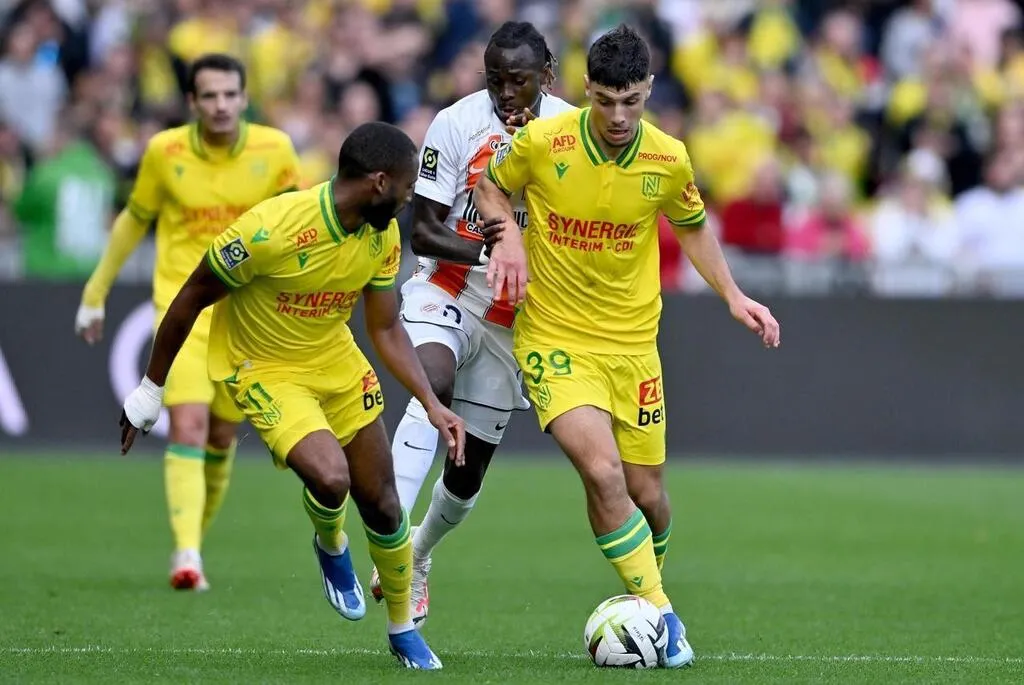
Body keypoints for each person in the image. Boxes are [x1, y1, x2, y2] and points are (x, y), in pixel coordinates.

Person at [475, 25, 781, 669]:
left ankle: (642, 590)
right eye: (606, 100)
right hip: (554, 336)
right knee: (602, 470)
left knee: (646, 495)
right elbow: (489, 185)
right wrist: (506, 236)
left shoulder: (668, 158)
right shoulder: (542, 141)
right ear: (586, 91)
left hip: (635, 346)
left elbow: (693, 227)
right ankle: (663, 615)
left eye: (631, 102)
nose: (618, 116)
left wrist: (733, 295)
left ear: (648, 93)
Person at [118, 122, 462, 670]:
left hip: (337, 365)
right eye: (404, 188)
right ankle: (331, 545)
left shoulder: (381, 235)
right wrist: (149, 391)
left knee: (384, 503)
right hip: (266, 369)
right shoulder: (271, 229)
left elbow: (387, 328)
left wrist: (431, 401)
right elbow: (188, 301)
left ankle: (402, 630)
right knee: (331, 478)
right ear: (378, 182)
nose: (408, 201)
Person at [367, 20, 574, 627]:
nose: (506, 93)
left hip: (516, 317)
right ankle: (394, 543)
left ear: (547, 76)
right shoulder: (456, 124)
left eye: (519, 81)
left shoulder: (569, 130)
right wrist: (493, 251)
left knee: (467, 470)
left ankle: (421, 554)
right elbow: (423, 228)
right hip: (449, 288)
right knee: (431, 382)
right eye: (495, 80)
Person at [75, 54, 301, 592]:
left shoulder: (276, 151)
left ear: (244, 99)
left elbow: (295, 224)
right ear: (192, 103)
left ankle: (191, 539)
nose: (221, 105)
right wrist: (95, 291)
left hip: (246, 315)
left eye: (230, 95)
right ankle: (188, 555)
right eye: (210, 96)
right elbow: (135, 218)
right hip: (184, 312)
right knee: (190, 425)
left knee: (222, 437)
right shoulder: (165, 151)